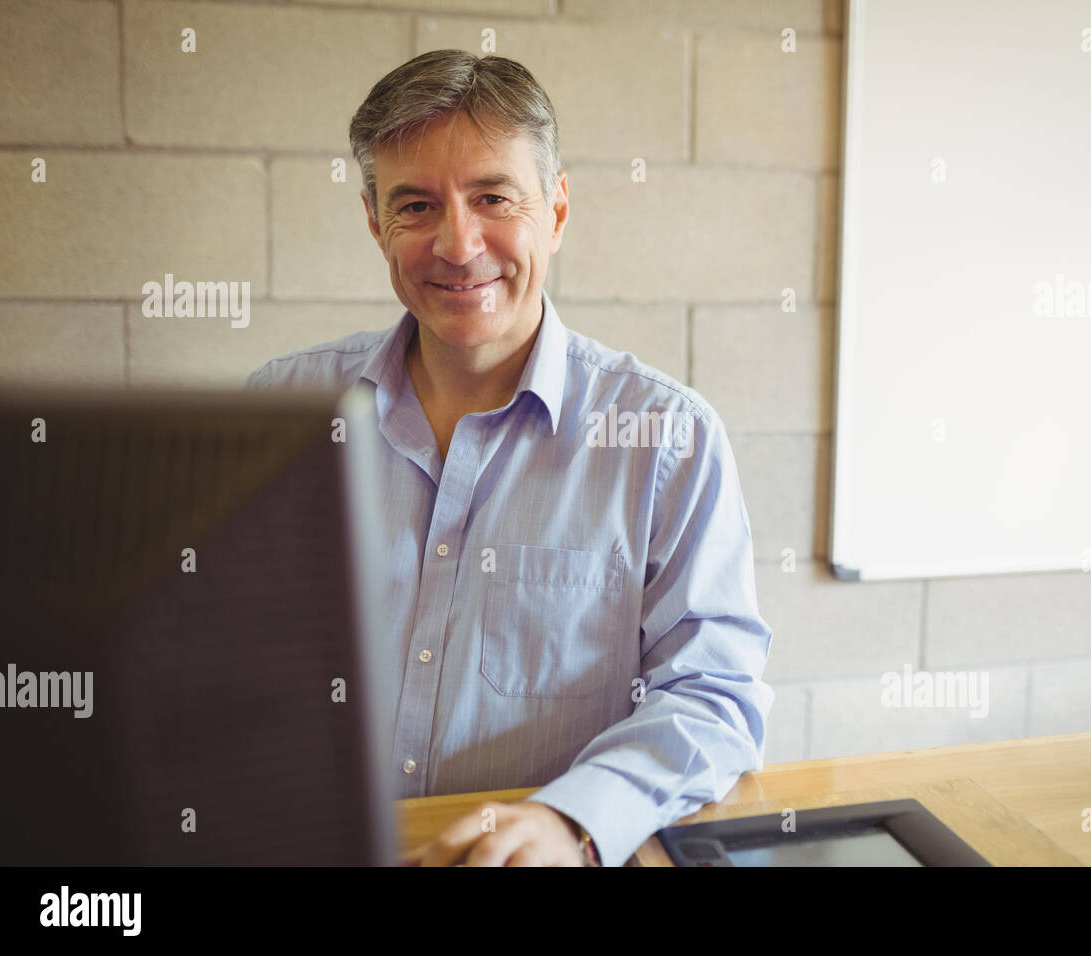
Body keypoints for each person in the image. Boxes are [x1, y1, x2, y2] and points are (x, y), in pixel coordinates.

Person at [246, 49, 773, 867]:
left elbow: (713, 694)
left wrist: (573, 819)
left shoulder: (667, 437)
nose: (459, 245)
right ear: (374, 222)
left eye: (493, 197)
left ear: (557, 210)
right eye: (416, 205)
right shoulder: (283, 414)